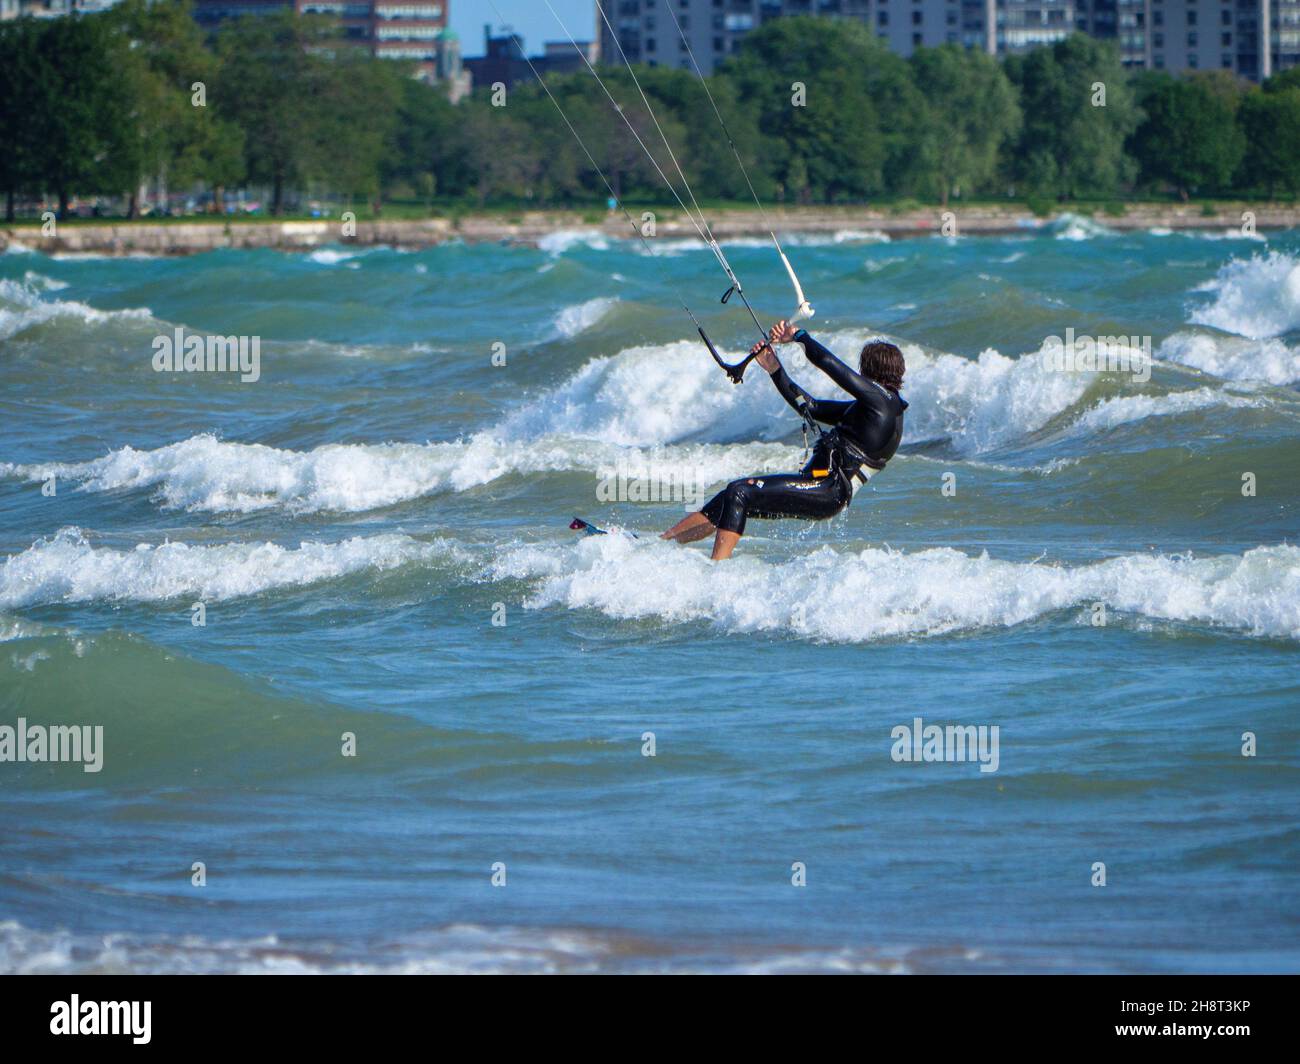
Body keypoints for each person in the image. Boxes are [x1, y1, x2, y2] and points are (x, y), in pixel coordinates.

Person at [661, 319, 908, 560]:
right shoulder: (875, 410)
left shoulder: (883, 405)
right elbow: (811, 407)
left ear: (868, 372)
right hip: (823, 490)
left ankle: (717, 570)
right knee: (728, 497)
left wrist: (799, 336)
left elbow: (829, 364)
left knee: (740, 491)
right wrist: (775, 370)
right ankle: (663, 545)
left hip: (827, 491)